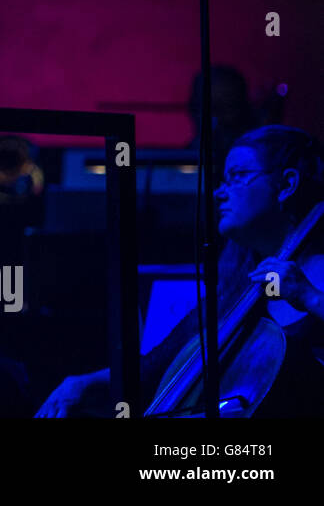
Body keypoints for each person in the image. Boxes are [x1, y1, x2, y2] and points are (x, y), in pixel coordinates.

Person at [36, 124, 324, 417]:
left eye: (237, 176)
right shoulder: (238, 290)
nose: (218, 193)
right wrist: (81, 383)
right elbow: (156, 364)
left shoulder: (313, 281)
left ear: (287, 184)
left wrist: (310, 296)